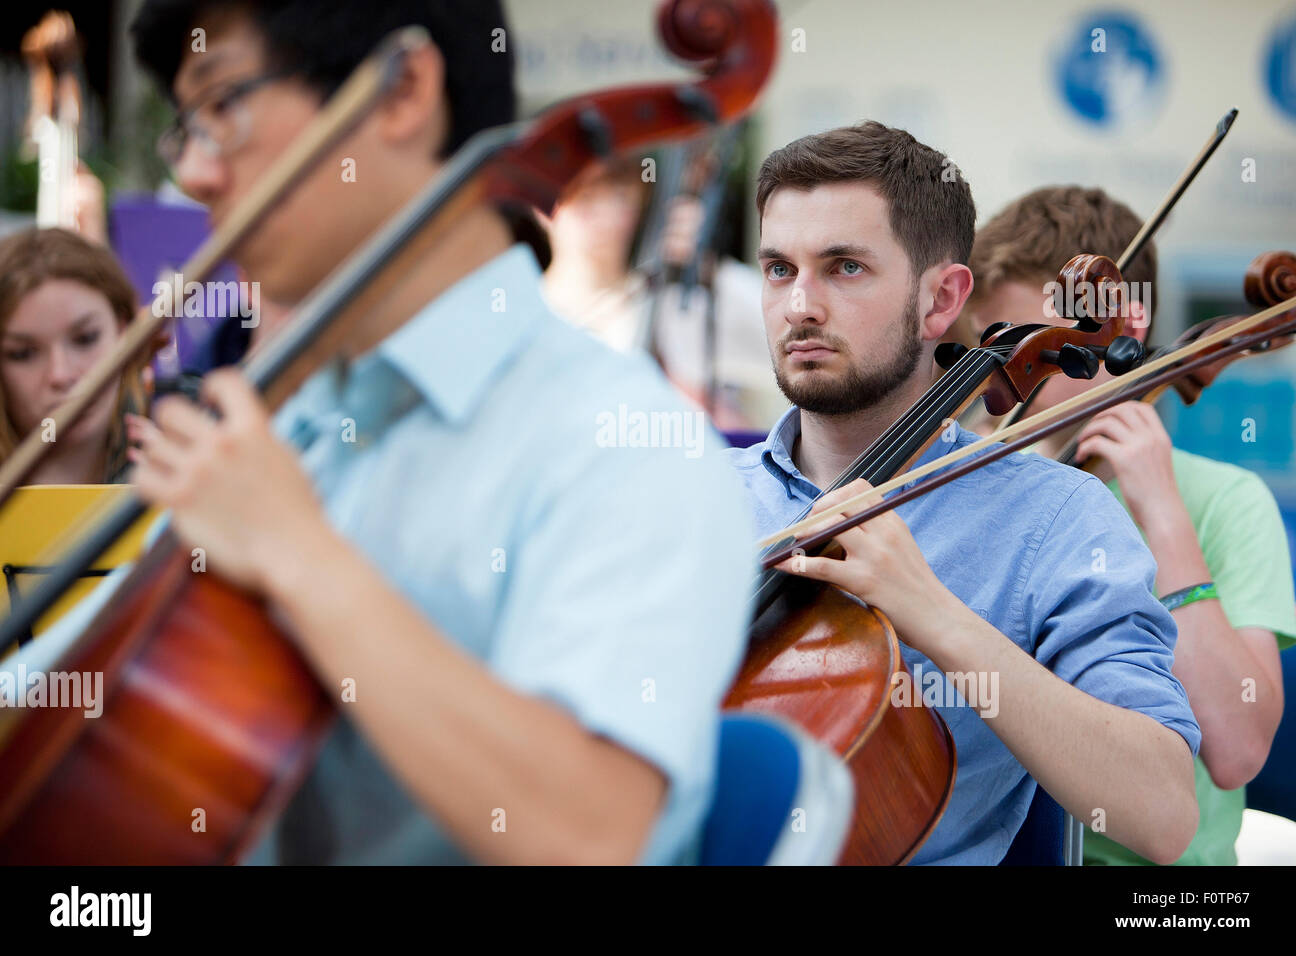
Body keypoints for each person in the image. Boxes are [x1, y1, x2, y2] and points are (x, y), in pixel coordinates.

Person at [10, 0, 755, 866]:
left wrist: (298, 554)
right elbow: (64, 686)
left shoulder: (626, 449)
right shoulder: (294, 421)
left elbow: (587, 831)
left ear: (401, 91)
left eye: (222, 108)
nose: (200, 175)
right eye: (189, 129)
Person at [728, 121, 1201, 864]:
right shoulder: (696, 500)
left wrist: (936, 616)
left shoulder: (1055, 518)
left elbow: (1163, 813)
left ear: (942, 299)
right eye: (779, 269)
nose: (800, 306)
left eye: (844, 268)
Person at [959, 185, 1296, 864]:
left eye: (1039, 350)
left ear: (1123, 333)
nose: (1005, 385)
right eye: (992, 349)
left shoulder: (1224, 500)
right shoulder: (959, 476)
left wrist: (1161, 514)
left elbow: (1236, 750)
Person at [541, 155, 785, 431]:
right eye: (582, 197)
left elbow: (789, 335)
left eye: (619, 195)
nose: (604, 213)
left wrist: (704, 269)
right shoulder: (520, 315)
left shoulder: (677, 305)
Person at [0, 226, 146, 484]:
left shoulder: (199, 427)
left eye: (86, 338)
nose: (61, 374)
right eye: (22, 354)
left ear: (123, 332)